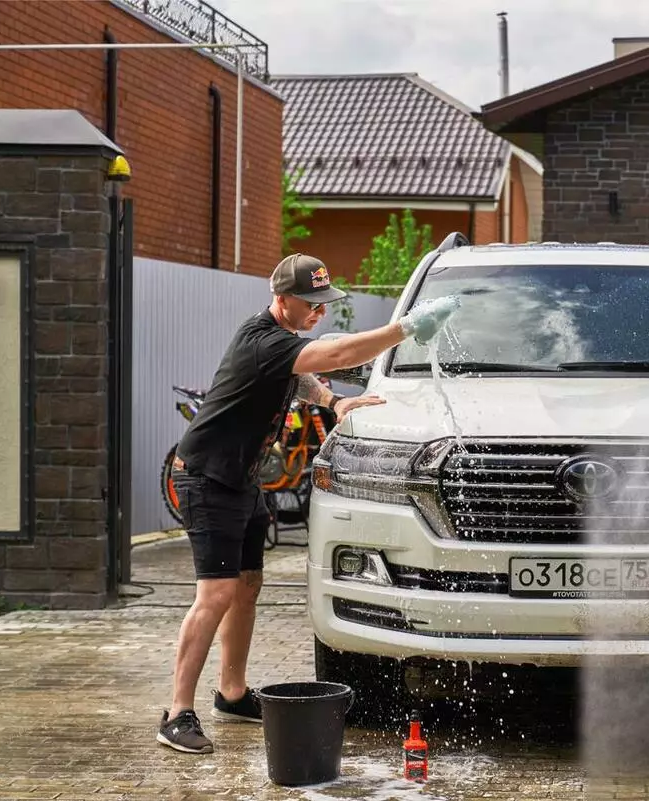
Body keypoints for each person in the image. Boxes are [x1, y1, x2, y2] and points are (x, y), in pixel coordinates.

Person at [157, 253, 460, 754]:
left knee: (247, 586)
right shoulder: (261, 340)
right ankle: (176, 713)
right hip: (207, 481)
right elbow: (336, 356)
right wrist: (405, 328)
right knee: (214, 595)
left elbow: (299, 378)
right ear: (282, 299)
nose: (319, 312)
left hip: (240, 482)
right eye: (311, 304)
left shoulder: (277, 343)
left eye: (325, 303)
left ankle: (231, 694)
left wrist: (335, 402)